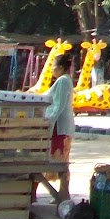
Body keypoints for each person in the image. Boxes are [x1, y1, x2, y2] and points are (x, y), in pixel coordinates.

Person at [43, 53, 75, 198]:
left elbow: (59, 104)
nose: (51, 69)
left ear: (60, 67)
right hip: (60, 126)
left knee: (60, 161)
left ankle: (63, 194)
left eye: (53, 66)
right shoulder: (64, 80)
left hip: (60, 127)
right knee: (60, 161)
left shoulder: (63, 81)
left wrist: (49, 121)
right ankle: (62, 194)